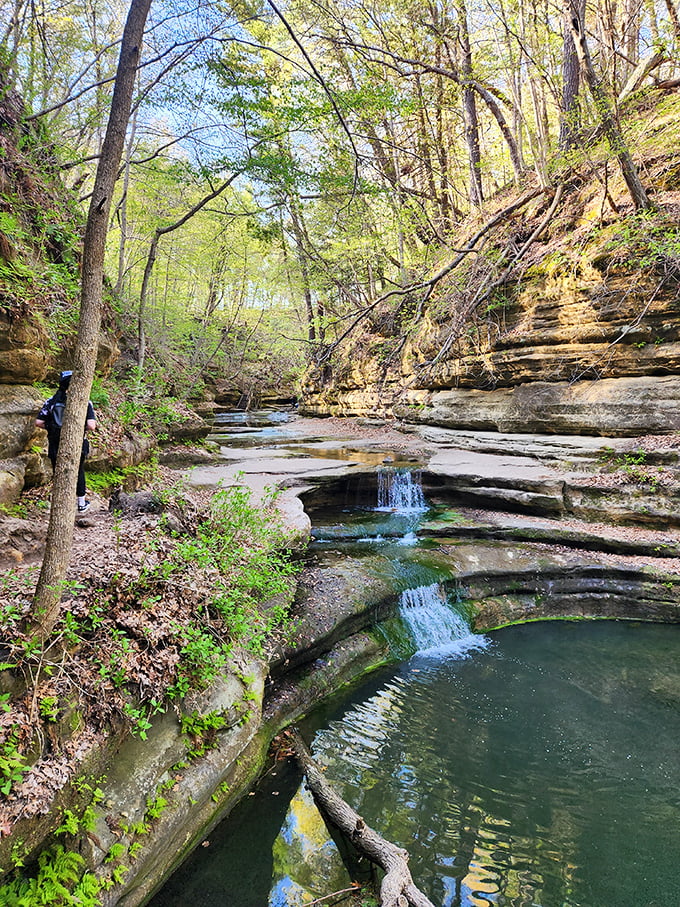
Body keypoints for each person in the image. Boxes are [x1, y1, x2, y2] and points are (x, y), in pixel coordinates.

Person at [36, 370, 97, 514]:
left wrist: (52, 427)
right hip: (77, 443)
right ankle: (81, 504)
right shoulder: (84, 402)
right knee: (78, 471)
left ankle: (58, 505)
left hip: (55, 442)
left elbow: (39, 422)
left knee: (58, 473)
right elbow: (91, 426)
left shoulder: (51, 401)